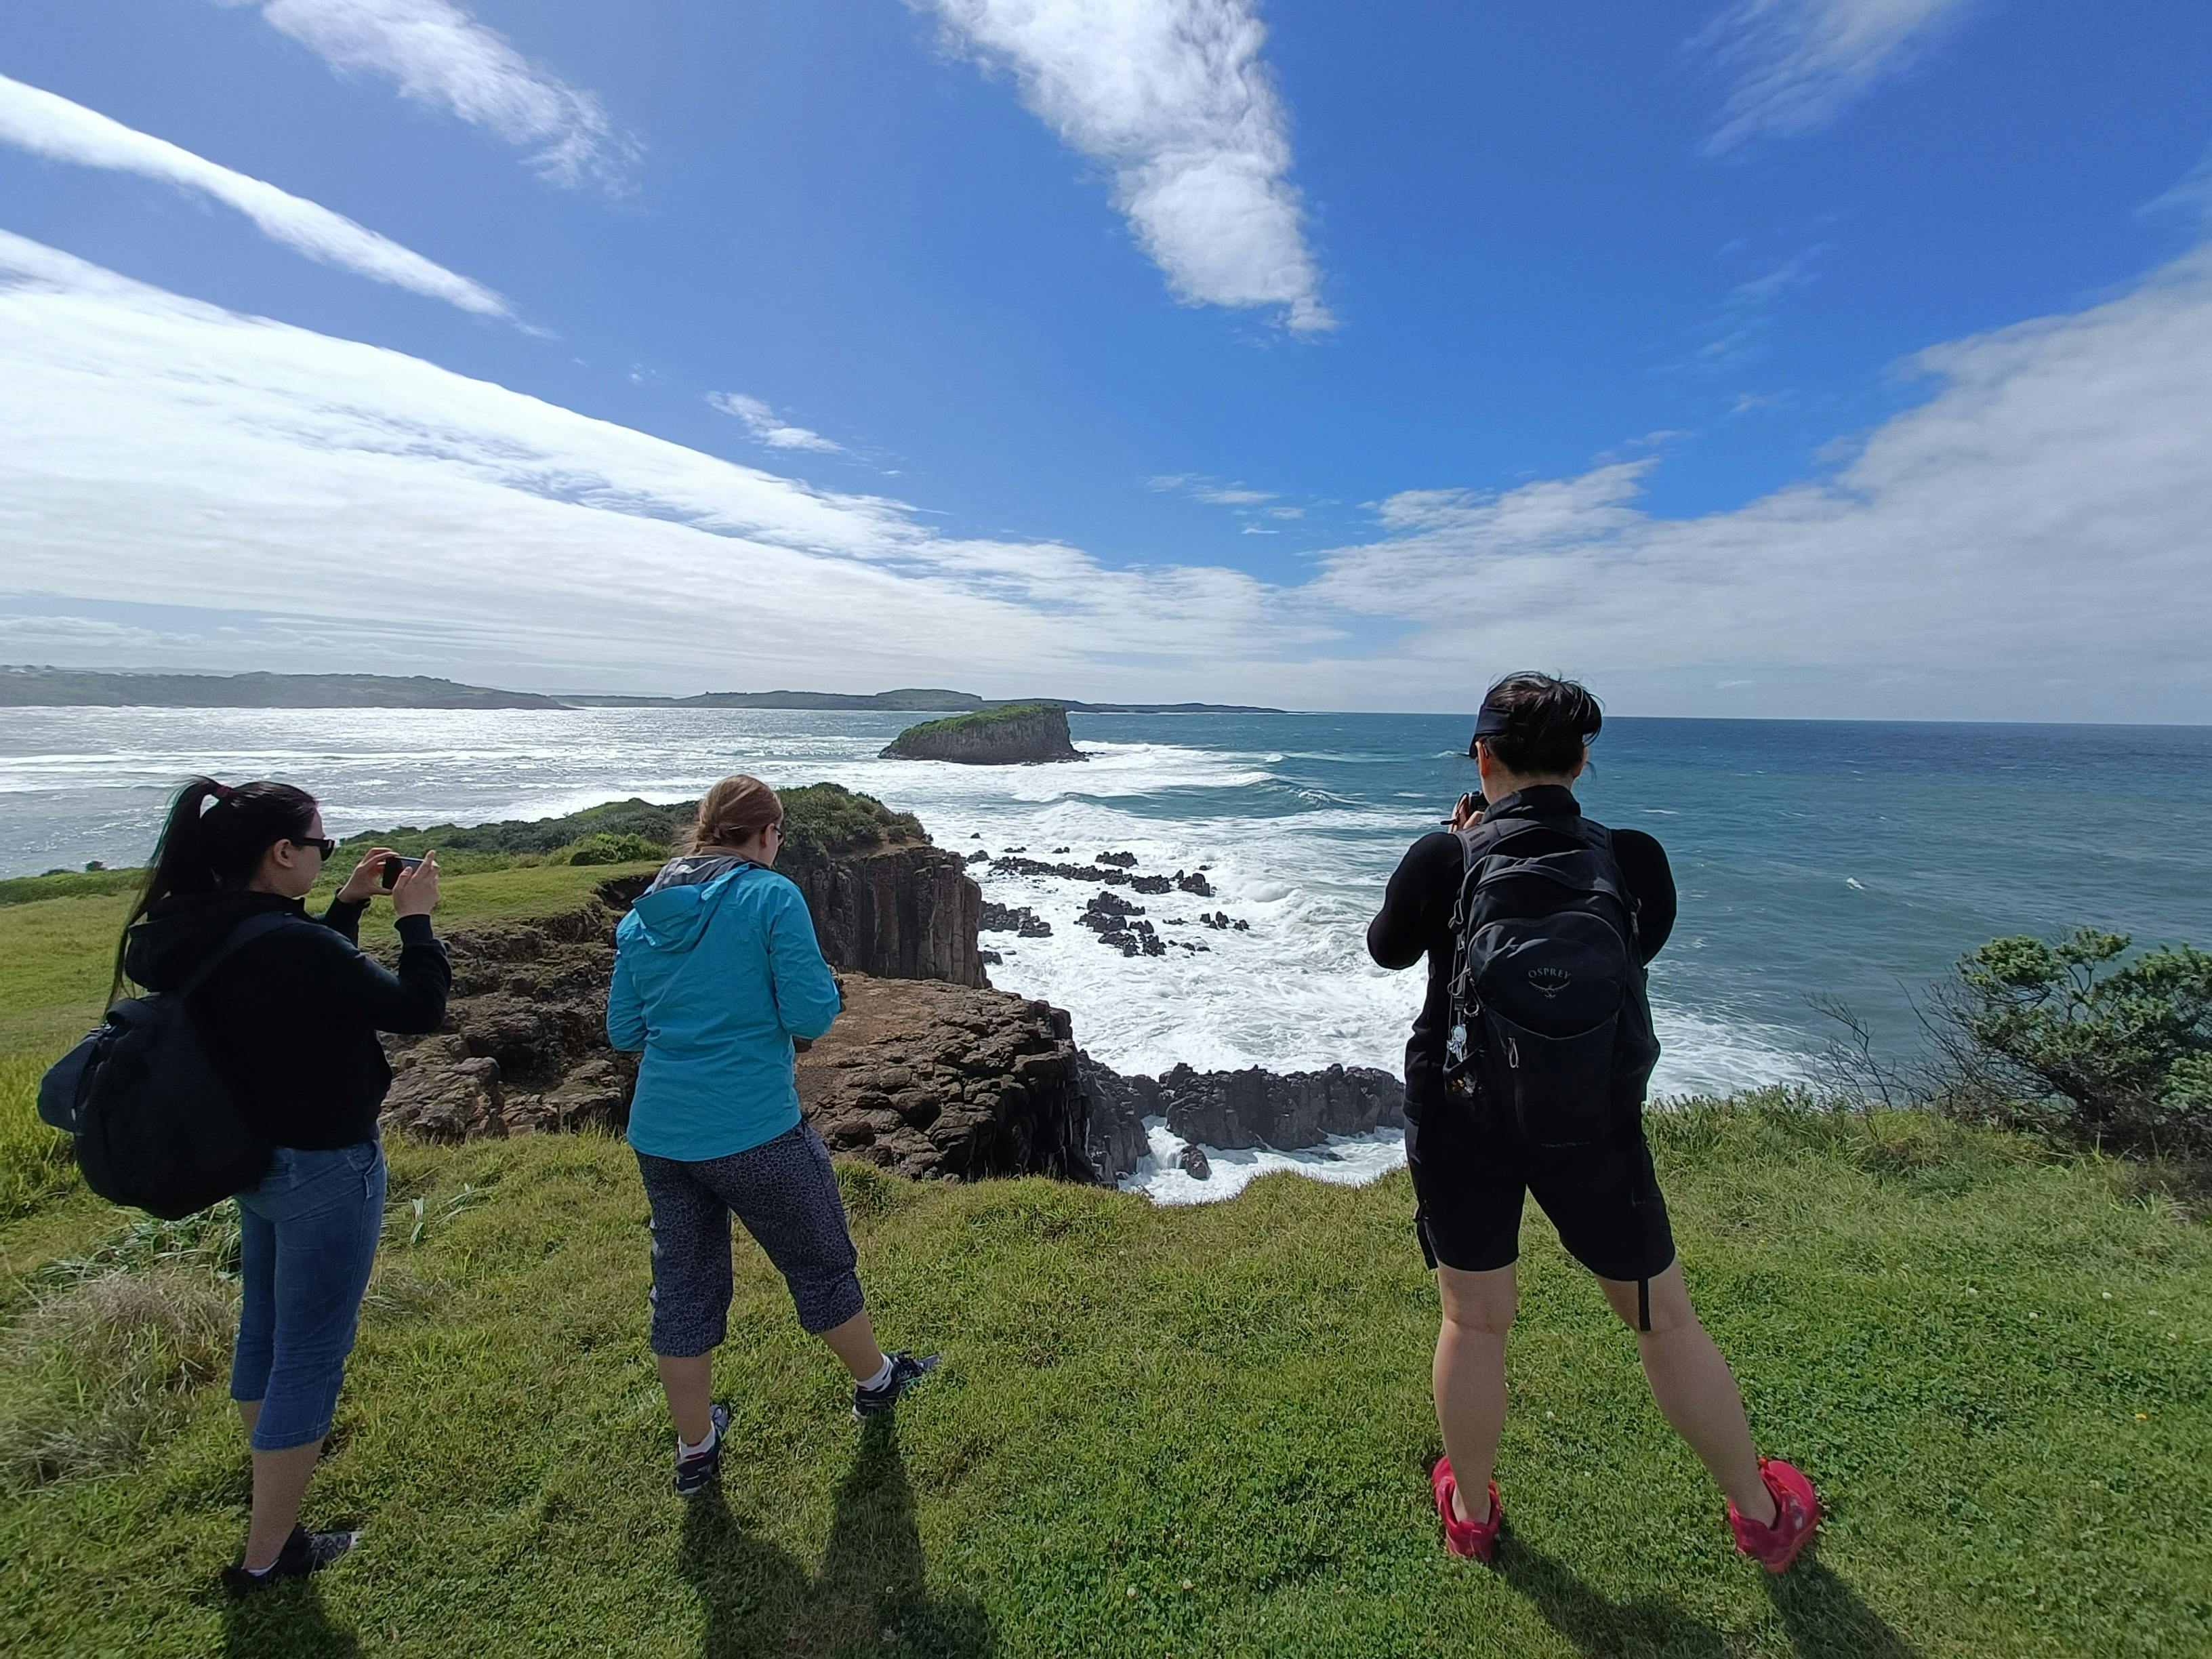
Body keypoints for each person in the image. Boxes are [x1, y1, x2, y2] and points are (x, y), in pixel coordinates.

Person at [1367, 674, 1818, 1571]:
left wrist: (1458, 855)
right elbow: (1635, 954)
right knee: (1665, 1323)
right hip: (1590, 1120)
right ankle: (1760, 1513)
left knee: (1476, 1322)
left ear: (1482, 758)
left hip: (1462, 1117)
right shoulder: (1631, 856)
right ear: (1580, 762)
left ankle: (1470, 1509)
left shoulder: (1443, 857)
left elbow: (1388, 949)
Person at [118, 777, 449, 1592]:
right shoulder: (284, 944)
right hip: (325, 1161)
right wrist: (415, 921)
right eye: (321, 846)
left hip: (256, 1159)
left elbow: (295, 978)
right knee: (310, 1355)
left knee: (265, 1332)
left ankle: (274, 1510)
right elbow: (417, 1008)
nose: (324, 854)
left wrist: (345, 906)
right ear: (280, 853)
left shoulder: (194, 929)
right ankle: (270, 1557)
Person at [607, 775, 937, 1496]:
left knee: (684, 1288)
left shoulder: (641, 918)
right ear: (765, 835)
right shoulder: (769, 895)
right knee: (819, 1260)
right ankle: (876, 1383)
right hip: (754, 1124)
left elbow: (624, 1030)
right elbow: (813, 1014)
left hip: (662, 1134)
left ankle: (695, 1448)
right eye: (778, 835)